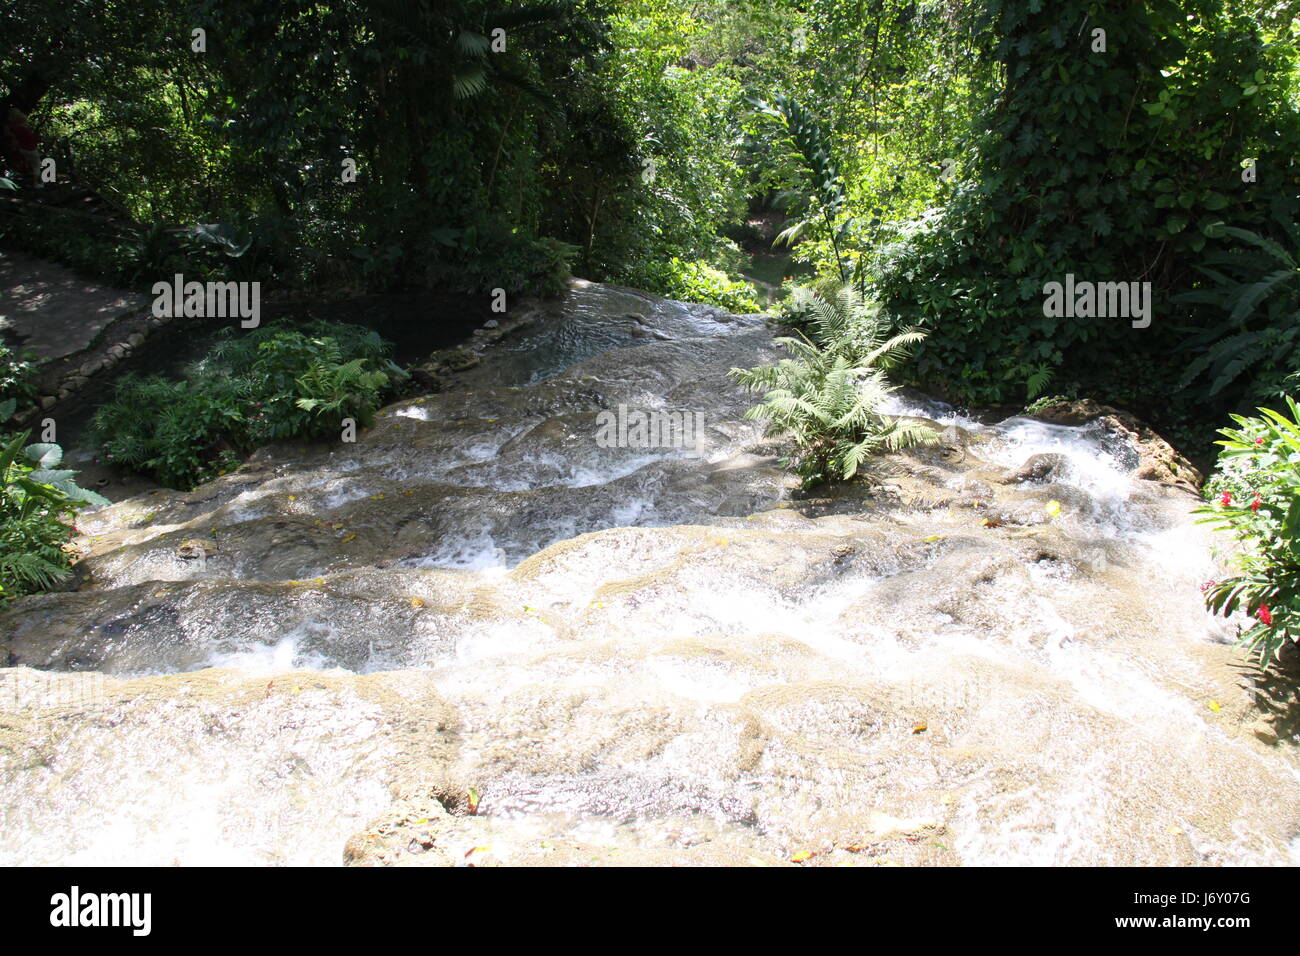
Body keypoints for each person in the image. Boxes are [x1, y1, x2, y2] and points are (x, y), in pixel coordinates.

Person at [3, 107, 44, 187]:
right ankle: (37, 183)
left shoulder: (13, 129)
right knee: (37, 165)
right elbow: (31, 140)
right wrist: (40, 139)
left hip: (21, 149)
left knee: (27, 163)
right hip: (30, 149)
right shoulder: (24, 130)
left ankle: (27, 178)